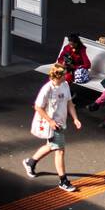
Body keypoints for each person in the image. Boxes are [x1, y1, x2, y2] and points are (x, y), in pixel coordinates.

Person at [24, 63, 82, 192]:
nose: (67, 76)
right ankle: (63, 180)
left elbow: (69, 103)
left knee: (51, 146)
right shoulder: (47, 89)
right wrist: (50, 121)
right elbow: (38, 107)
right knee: (59, 151)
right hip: (54, 125)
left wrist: (75, 118)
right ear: (59, 76)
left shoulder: (65, 85)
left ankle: (31, 162)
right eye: (65, 74)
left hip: (61, 122)